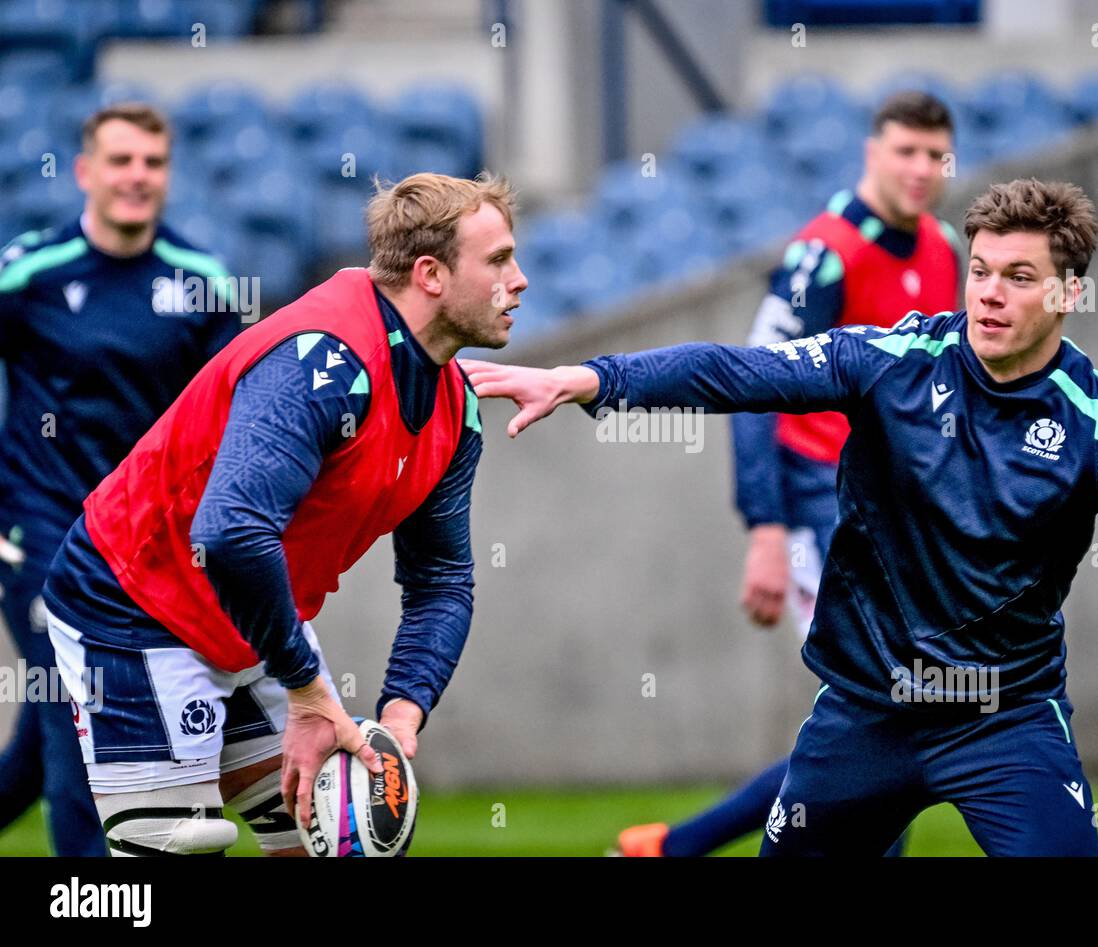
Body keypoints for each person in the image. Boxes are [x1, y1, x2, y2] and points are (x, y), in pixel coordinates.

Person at [464, 178, 1098, 856]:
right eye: (981, 270)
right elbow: (737, 373)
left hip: (1007, 718)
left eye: (1019, 277)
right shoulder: (896, 361)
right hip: (865, 712)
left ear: (1069, 292)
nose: (989, 294)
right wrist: (589, 379)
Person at [40, 171, 527, 856]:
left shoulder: (455, 409)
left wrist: (399, 715)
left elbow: (441, 580)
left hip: (255, 624)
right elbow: (230, 532)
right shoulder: (321, 360)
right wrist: (308, 690)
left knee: (337, 836)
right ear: (430, 275)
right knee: (172, 851)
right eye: (500, 259)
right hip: (134, 600)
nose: (521, 278)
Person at [617, 90, 963, 858]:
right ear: (873, 153)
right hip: (819, 508)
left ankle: (668, 848)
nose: (920, 168)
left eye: (935, 154)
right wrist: (766, 529)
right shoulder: (824, 253)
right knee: (889, 706)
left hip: (897, 525)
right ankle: (673, 846)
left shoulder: (943, 250)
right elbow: (750, 390)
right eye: (905, 150)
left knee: (889, 715)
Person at [0, 103, 239, 856]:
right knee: (77, 714)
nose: (137, 176)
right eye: (121, 160)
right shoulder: (29, 271)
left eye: (152, 162)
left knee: (40, 747)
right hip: (40, 531)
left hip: (141, 544)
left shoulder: (200, 280)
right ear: (86, 172)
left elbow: (234, 410)